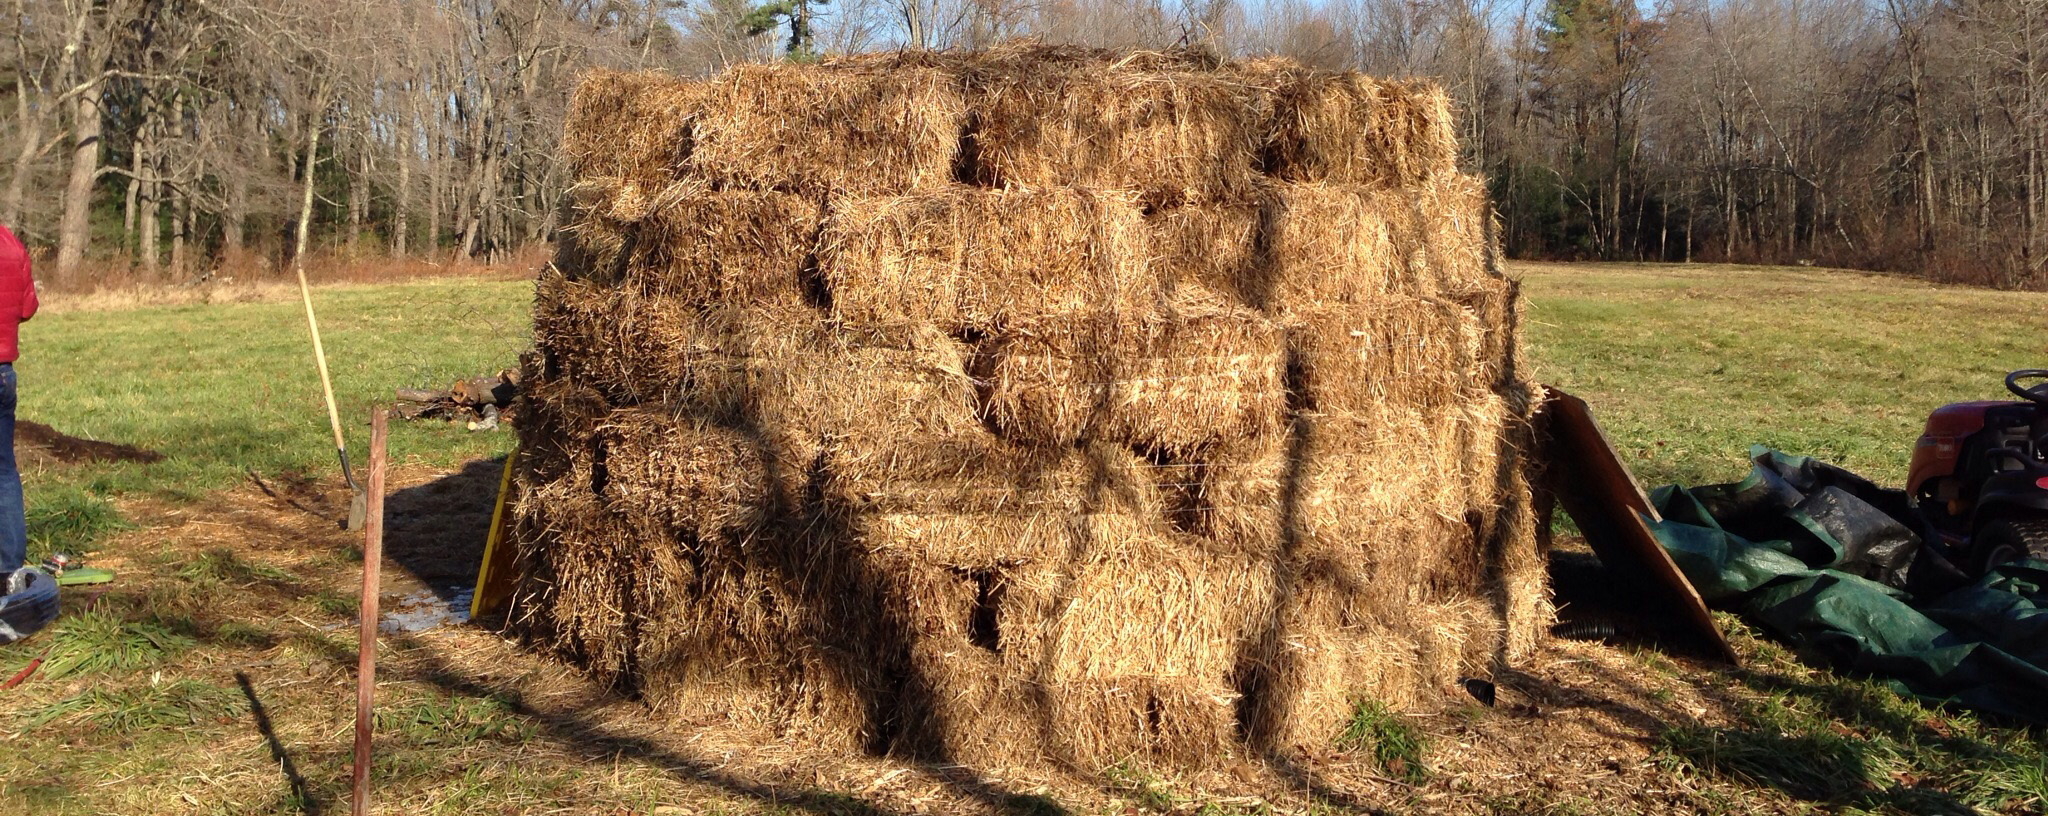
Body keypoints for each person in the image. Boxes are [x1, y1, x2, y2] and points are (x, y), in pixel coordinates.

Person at [0, 225, 35, 574]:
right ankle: (8, 569)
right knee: (4, 470)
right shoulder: (11, 243)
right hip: (2, 372)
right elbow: (27, 308)